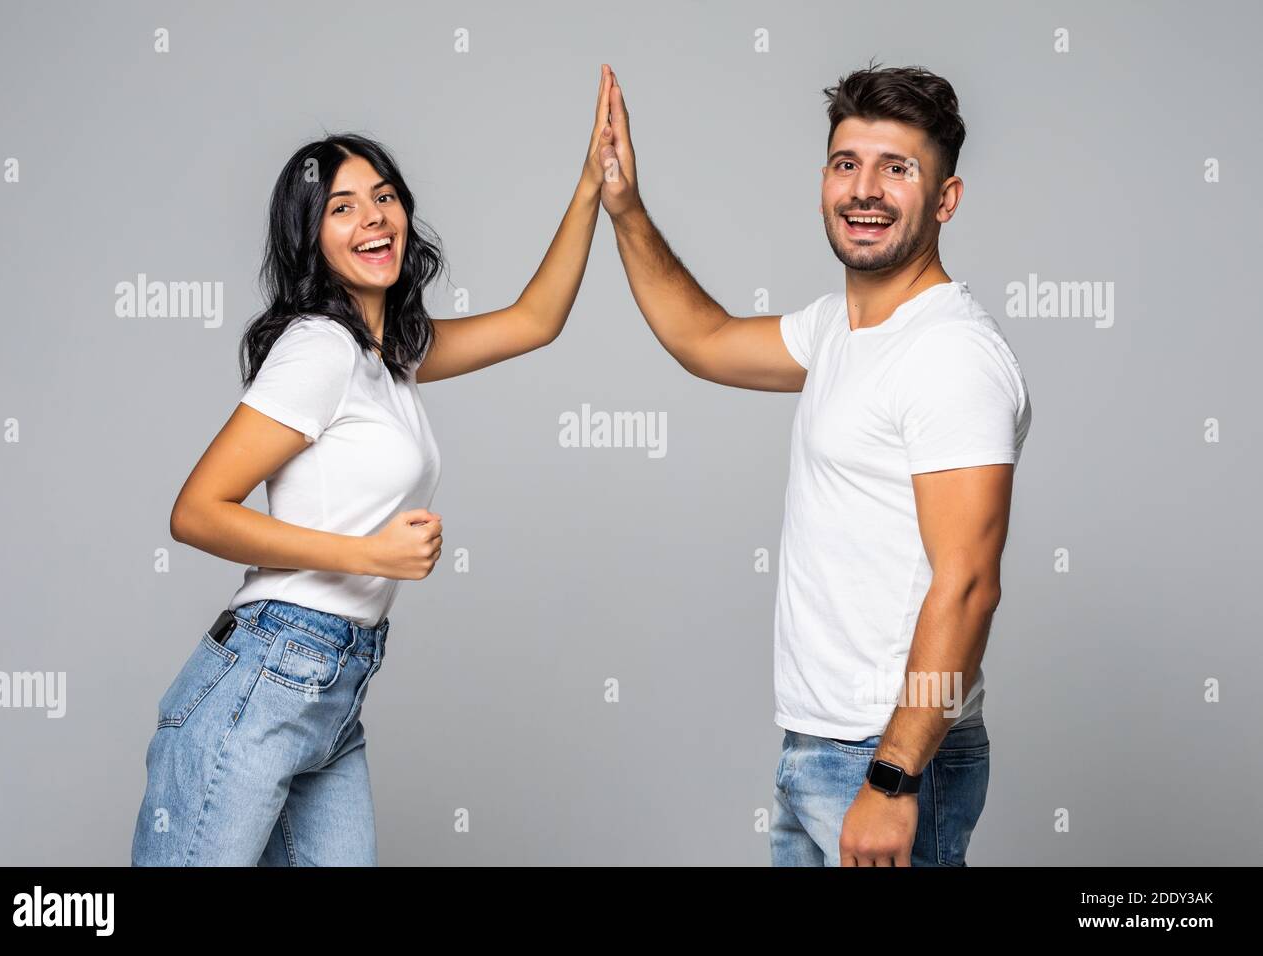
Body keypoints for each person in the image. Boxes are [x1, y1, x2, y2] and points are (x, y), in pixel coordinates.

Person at [131, 65, 619, 866]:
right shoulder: (318, 350)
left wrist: (591, 182)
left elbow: (537, 319)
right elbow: (196, 512)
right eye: (342, 207)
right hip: (265, 677)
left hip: (333, 693)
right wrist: (366, 554)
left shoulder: (387, 358)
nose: (372, 218)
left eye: (384, 196)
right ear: (312, 238)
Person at [595, 62, 1032, 866]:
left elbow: (969, 583)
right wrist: (625, 210)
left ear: (946, 199)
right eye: (847, 164)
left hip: (888, 754)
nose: (864, 189)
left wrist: (894, 779)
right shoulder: (840, 328)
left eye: (896, 169)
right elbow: (706, 340)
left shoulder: (950, 355)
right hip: (820, 744)